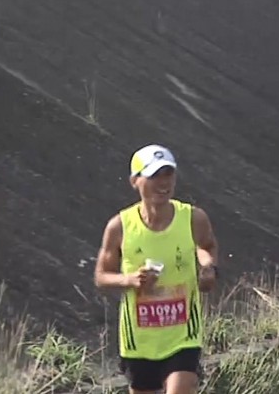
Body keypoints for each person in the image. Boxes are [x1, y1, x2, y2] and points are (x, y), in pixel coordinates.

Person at [94, 145, 220, 394]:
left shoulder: (193, 218)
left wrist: (208, 268)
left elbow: (208, 246)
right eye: (154, 176)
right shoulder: (120, 226)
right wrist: (131, 280)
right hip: (139, 341)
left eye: (168, 174)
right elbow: (101, 277)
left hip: (183, 335)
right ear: (135, 181)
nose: (163, 183)